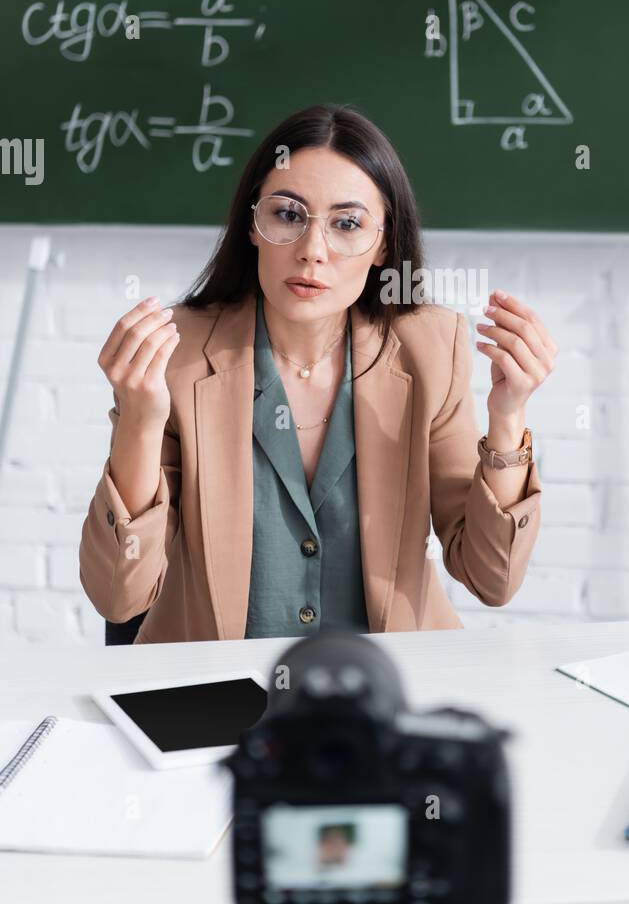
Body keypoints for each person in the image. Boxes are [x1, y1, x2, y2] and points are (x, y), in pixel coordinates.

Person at [79, 105, 555, 643]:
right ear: (253, 226)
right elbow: (118, 594)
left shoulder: (431, 349)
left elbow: (491, 578)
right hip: (216, 697)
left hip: (385, 691)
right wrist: (139, 423)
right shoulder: (178, 356)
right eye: (287, 215)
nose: (312, 252)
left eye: (347, 224)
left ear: (383, 244)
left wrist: (508, 415)